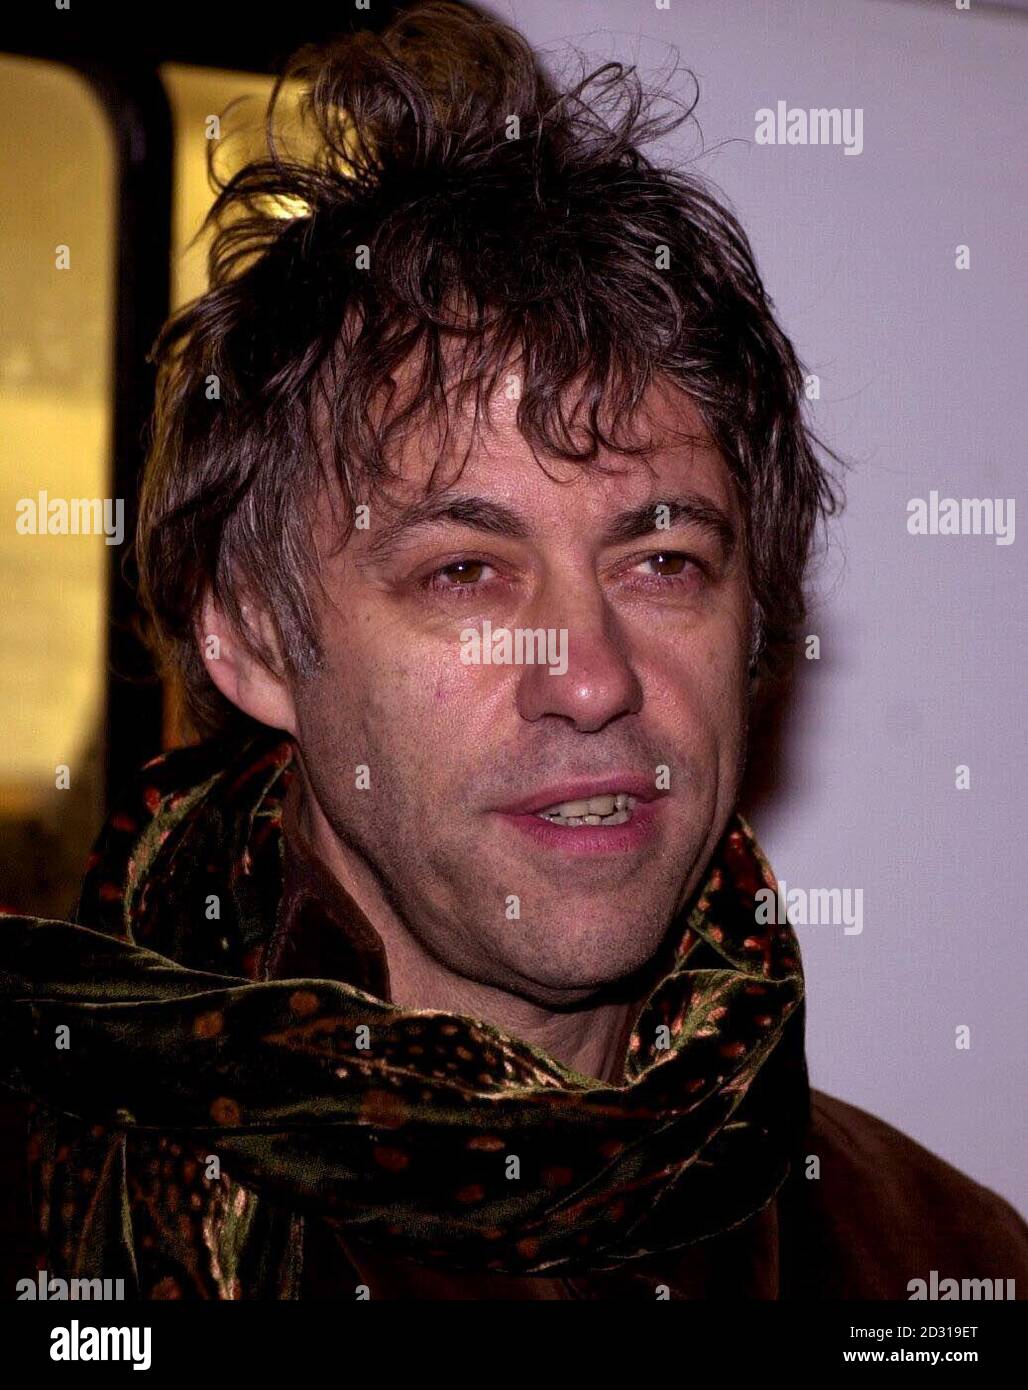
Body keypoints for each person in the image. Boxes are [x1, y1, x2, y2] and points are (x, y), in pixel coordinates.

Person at [1, 0, 1025, 1300]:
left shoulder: (939, 1260)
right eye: (465, 571)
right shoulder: (48, 1184)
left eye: (664, 562)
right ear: (251, 633)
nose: (593, 678)